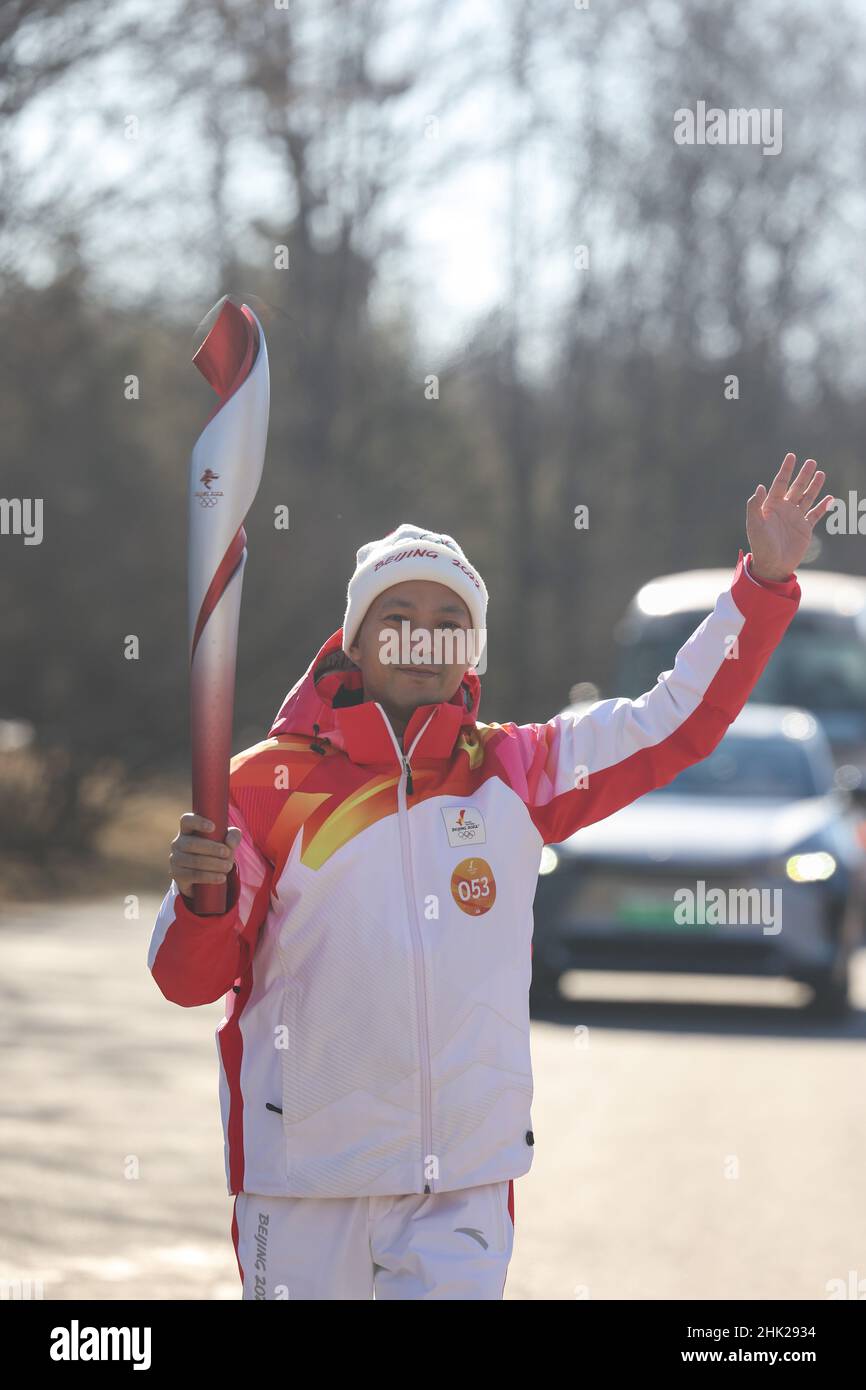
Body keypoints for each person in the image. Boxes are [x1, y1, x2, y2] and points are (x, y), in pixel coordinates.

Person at [147, 453, 832, 1300]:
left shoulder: (517, 769)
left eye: (448, 619)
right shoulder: (263, 784)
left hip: (462, 1179)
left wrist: (760, 586)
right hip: (302, 1179)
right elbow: (189, 978)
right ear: (354, 641)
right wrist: (199, 896)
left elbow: (671, 721)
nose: (422, 636)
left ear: (470, 647)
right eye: (397, 617)